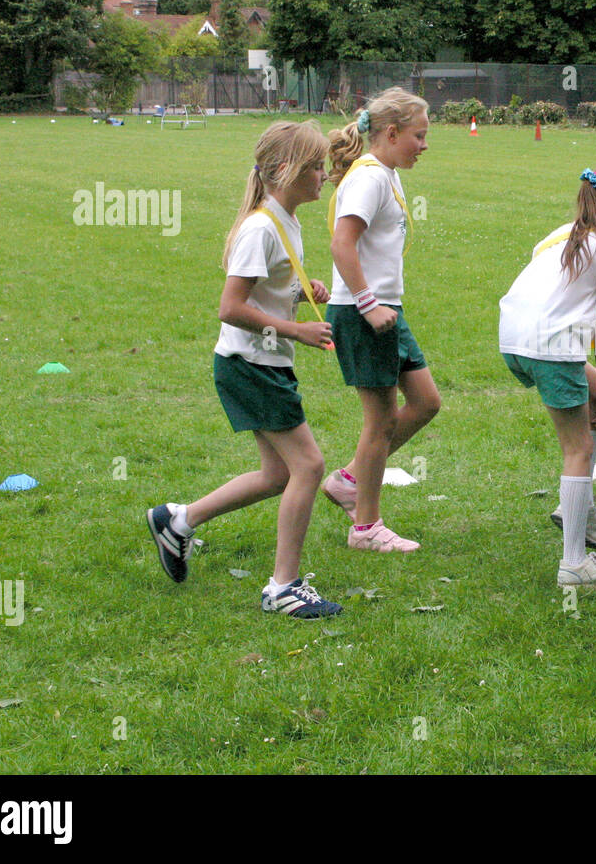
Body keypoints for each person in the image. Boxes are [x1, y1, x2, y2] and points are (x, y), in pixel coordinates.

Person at [146, 120, 342, 618]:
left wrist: (300, 289)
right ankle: (283, 587)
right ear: (284, 171)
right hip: (250, 363)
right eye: (316, 166)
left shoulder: (285, 219)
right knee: (309, 467)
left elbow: (265, 288)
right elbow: (230, 307)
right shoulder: (261, 227)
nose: (325, 174)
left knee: (278, 473)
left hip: (259, 362)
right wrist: (296, 329)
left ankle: (178, 521)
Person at [499, 161, 596, 586]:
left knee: (590, 398)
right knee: (579, 448)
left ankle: (576, 507)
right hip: (549, 346)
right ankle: (574, 564)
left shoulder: (566, 233)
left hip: (514, 339)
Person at [321, 87, 441, 553]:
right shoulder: (368, 178)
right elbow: (341, 244)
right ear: (391, 133)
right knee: (382, 422)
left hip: (387, 310)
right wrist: (368, 304)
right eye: (419, 136)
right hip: (362, 312)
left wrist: (380, 304)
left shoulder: (387, 174)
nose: (424, 146)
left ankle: (350, 480)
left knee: (426, 402)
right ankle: (366, 528)